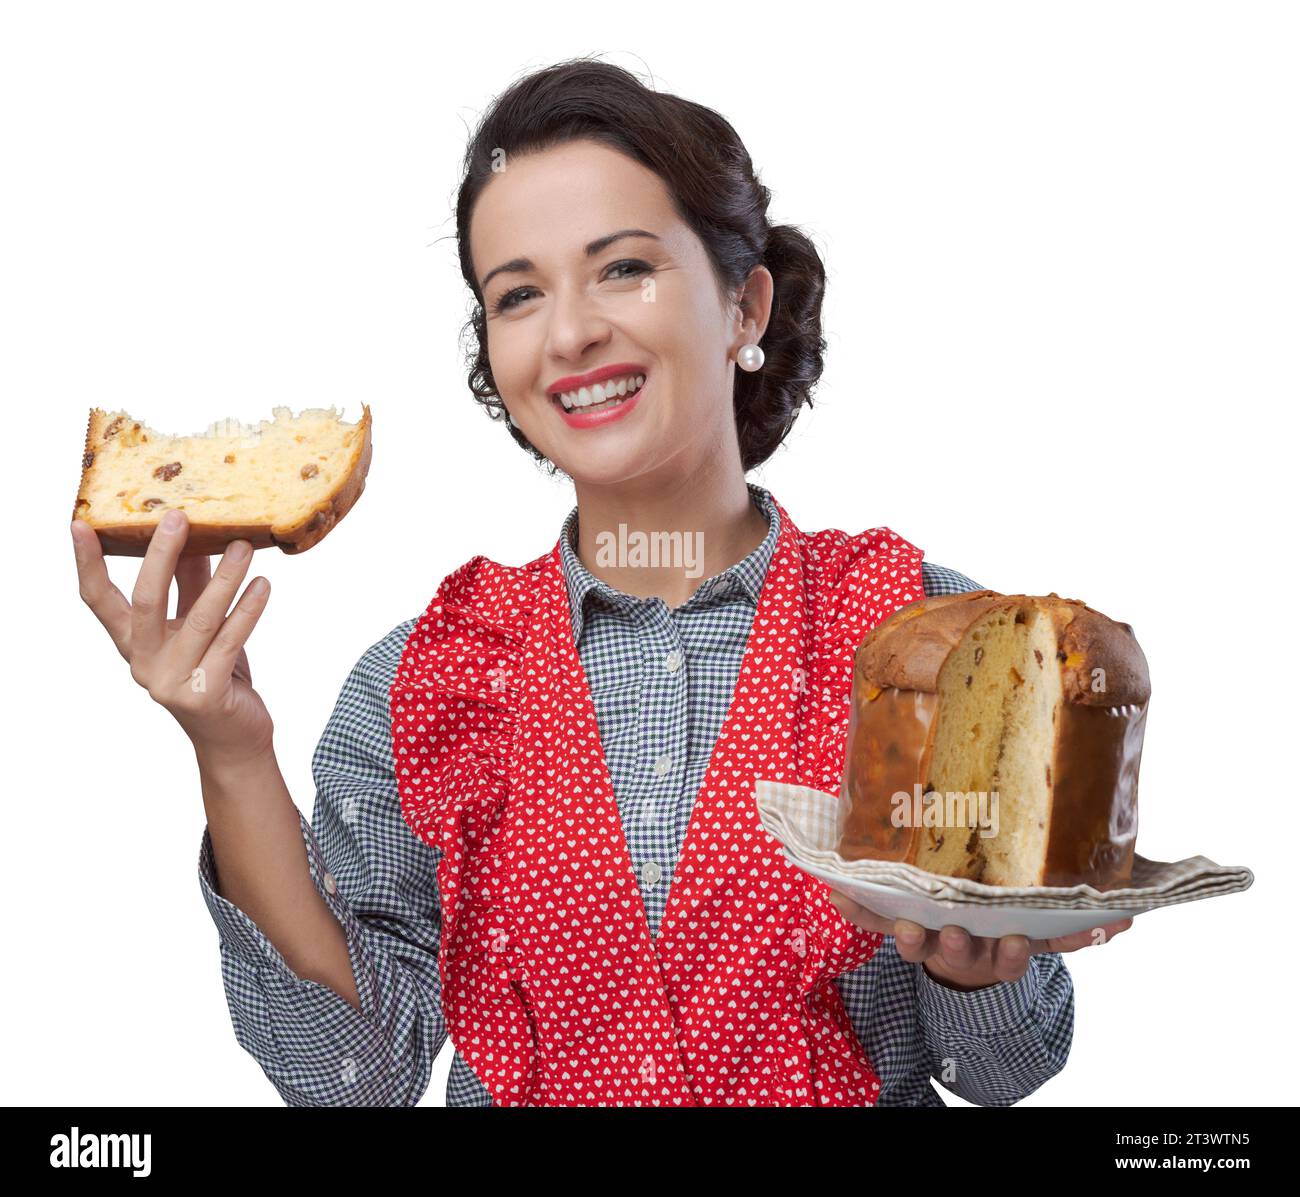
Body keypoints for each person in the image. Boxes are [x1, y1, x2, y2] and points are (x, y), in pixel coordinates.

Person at [71, 57, 1130, 1107]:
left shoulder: (935, 645)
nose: (570, 331)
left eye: (623, 267)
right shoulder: (428, 680)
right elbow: (360, 1081)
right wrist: (231, 750)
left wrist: (970, 961)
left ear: (743, 307)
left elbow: (1003, 1069)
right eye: (518, 293)